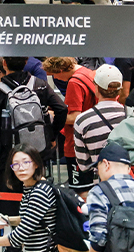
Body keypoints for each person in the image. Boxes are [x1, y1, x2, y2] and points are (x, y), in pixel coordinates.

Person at [0, 57, 67, 252]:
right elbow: (61, 108)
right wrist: (50, 135)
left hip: (9, 159)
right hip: (38, 155)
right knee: (38, 206)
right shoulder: (39, 85)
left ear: (3, 64)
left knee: (10, 208)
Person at [74, 64, 134, 172]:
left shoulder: (83, 121)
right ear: (120, 89)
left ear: (96, 88)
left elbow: (84, 165)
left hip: (104, 184)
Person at [42, 56, 98, 196]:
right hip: (92, 140)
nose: (56, 78)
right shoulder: (88, 73)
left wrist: (52, 115)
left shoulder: (74, 83)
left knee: (80, 190)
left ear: (61, 70)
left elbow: (75, 117)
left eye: (54, 75)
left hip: (76, 144)